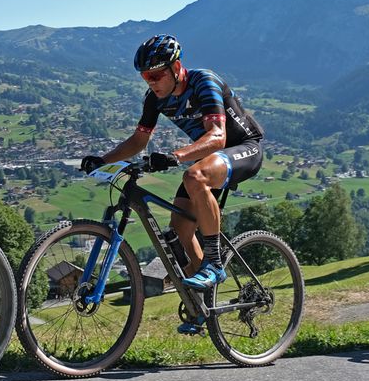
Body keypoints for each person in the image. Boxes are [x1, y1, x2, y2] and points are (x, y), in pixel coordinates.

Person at [80, 34, 264, 334]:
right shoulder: (155, 99)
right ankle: (202, 306)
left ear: (176, 67)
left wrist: (175, 157)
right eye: (145, 76)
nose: (150, 82)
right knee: (177, 235)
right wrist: (103, 160)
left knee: (194, 176)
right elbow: (140, 139)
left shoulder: (203, 82)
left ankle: (215, 264)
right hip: (211, 158)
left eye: (155, 75)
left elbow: (217, 136)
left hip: (244, 148)